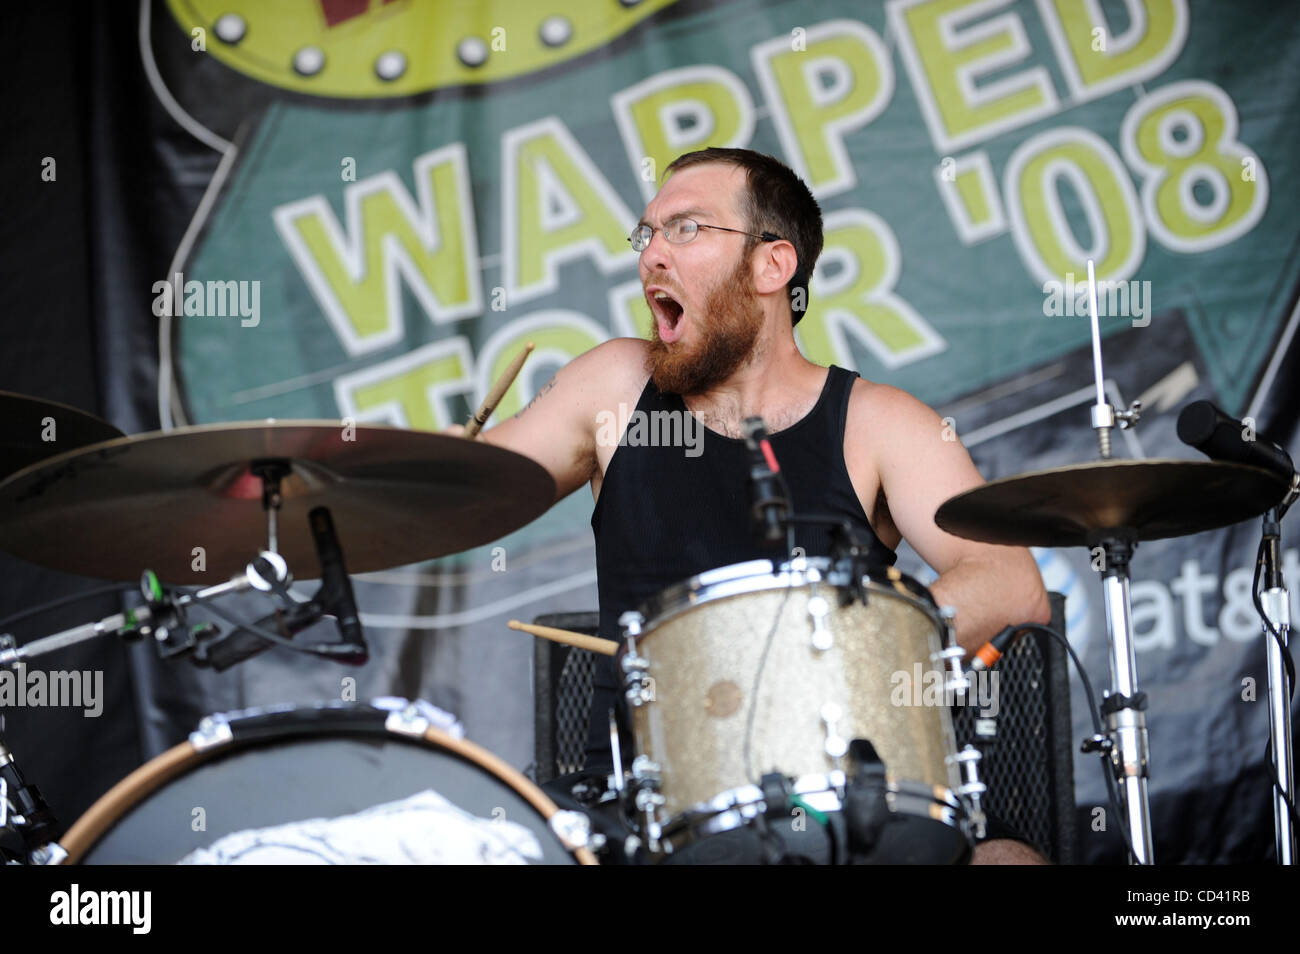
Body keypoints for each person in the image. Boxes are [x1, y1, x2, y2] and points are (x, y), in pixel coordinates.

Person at [456, 147, 1052, 864]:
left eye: (687, 229)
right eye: (647, 235)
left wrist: (838, 668)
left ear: (774, 265)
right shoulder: (615, 385)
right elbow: (464, 489)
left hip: (847, 801)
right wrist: (357, 473)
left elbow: (1009, 583)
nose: (652, 257)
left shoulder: (878, 421)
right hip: (640, 817)